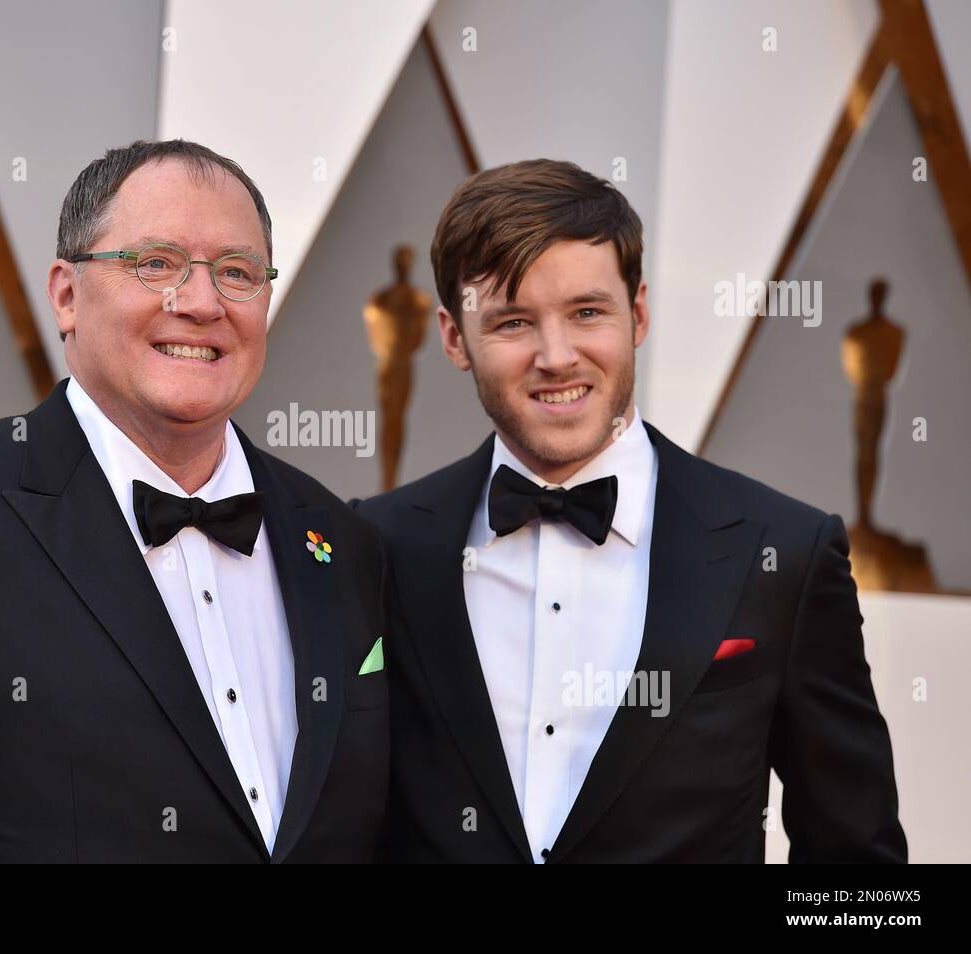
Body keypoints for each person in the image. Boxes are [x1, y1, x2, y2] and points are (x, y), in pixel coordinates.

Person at [0, 139, 389, 863]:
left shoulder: (342, 541)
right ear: (66, 294)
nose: (203, 303)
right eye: (157, 264)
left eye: (237, 273)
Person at [356, 158, 905, 863]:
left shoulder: (784, 554)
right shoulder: (375, 546)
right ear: (455, 337)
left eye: (587, 312)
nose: (556, 356)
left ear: (637, 313)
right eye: (514, 321)